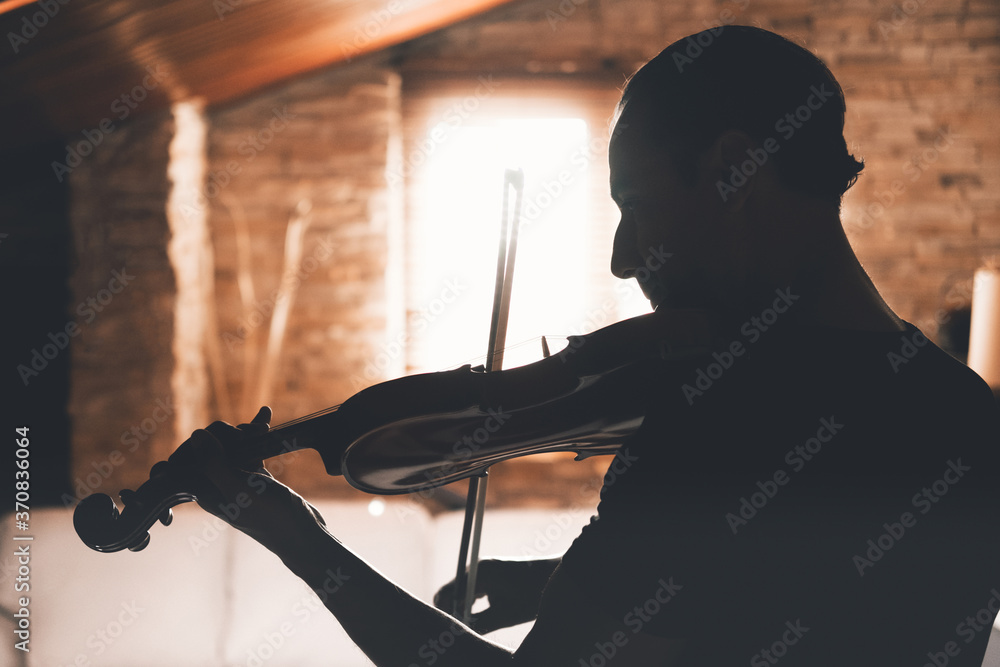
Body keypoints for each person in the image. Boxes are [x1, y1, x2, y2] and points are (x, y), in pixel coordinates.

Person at [168, 26, 1000, 665]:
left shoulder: (712, 429)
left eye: (636, 204)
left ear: (736, 169)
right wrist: (551, 582)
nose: (623, 255)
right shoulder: (966, 414)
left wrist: (302, 543)